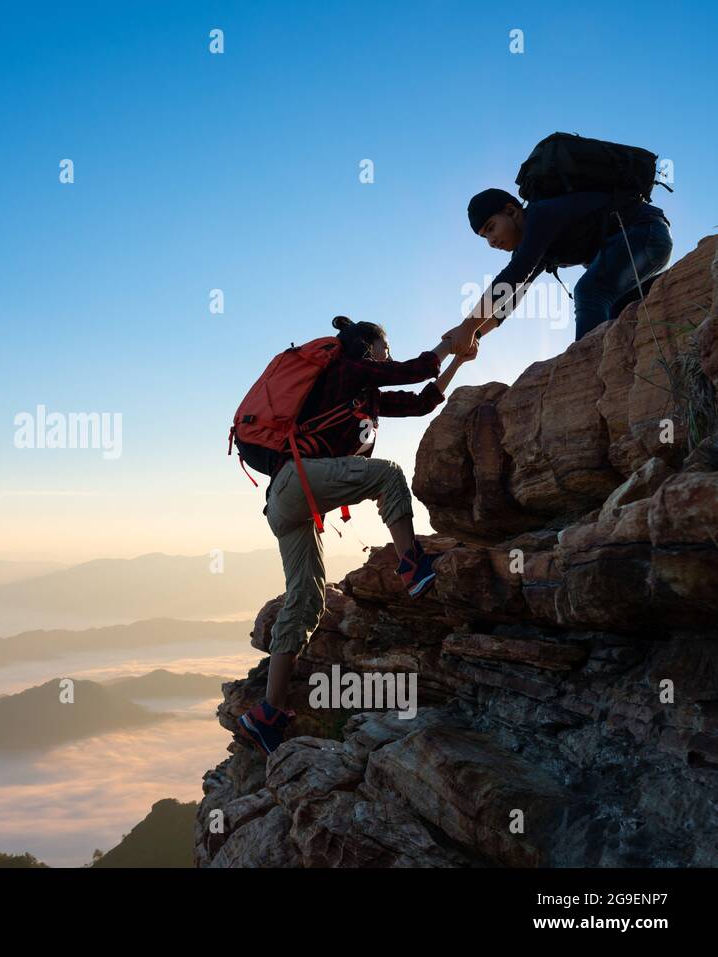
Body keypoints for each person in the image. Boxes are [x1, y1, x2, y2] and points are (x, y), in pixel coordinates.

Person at [236, 316, 473, 756]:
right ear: (369, 347)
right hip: (298, 482)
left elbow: (422, 401)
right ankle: (414, 567)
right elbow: (414, 369)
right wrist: (447, 344)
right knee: (388, 475)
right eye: (384, 348)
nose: (386, 356)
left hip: (287, 500)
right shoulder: (347, 369)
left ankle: (267, 715)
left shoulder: (364, 398)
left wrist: (456, 360)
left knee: (306, 600)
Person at [442, 187, 672, 352]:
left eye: (491, 228)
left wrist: (468, 326)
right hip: (640, 246)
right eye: (485, 237)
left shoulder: (541, 215)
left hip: (645, 233)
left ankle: (586, 375)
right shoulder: (539, 243)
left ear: (511, 211)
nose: (491, 241)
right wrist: (475, 333)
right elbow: (511, 299)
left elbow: (514, 275)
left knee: (591, 292)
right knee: (615, 314)